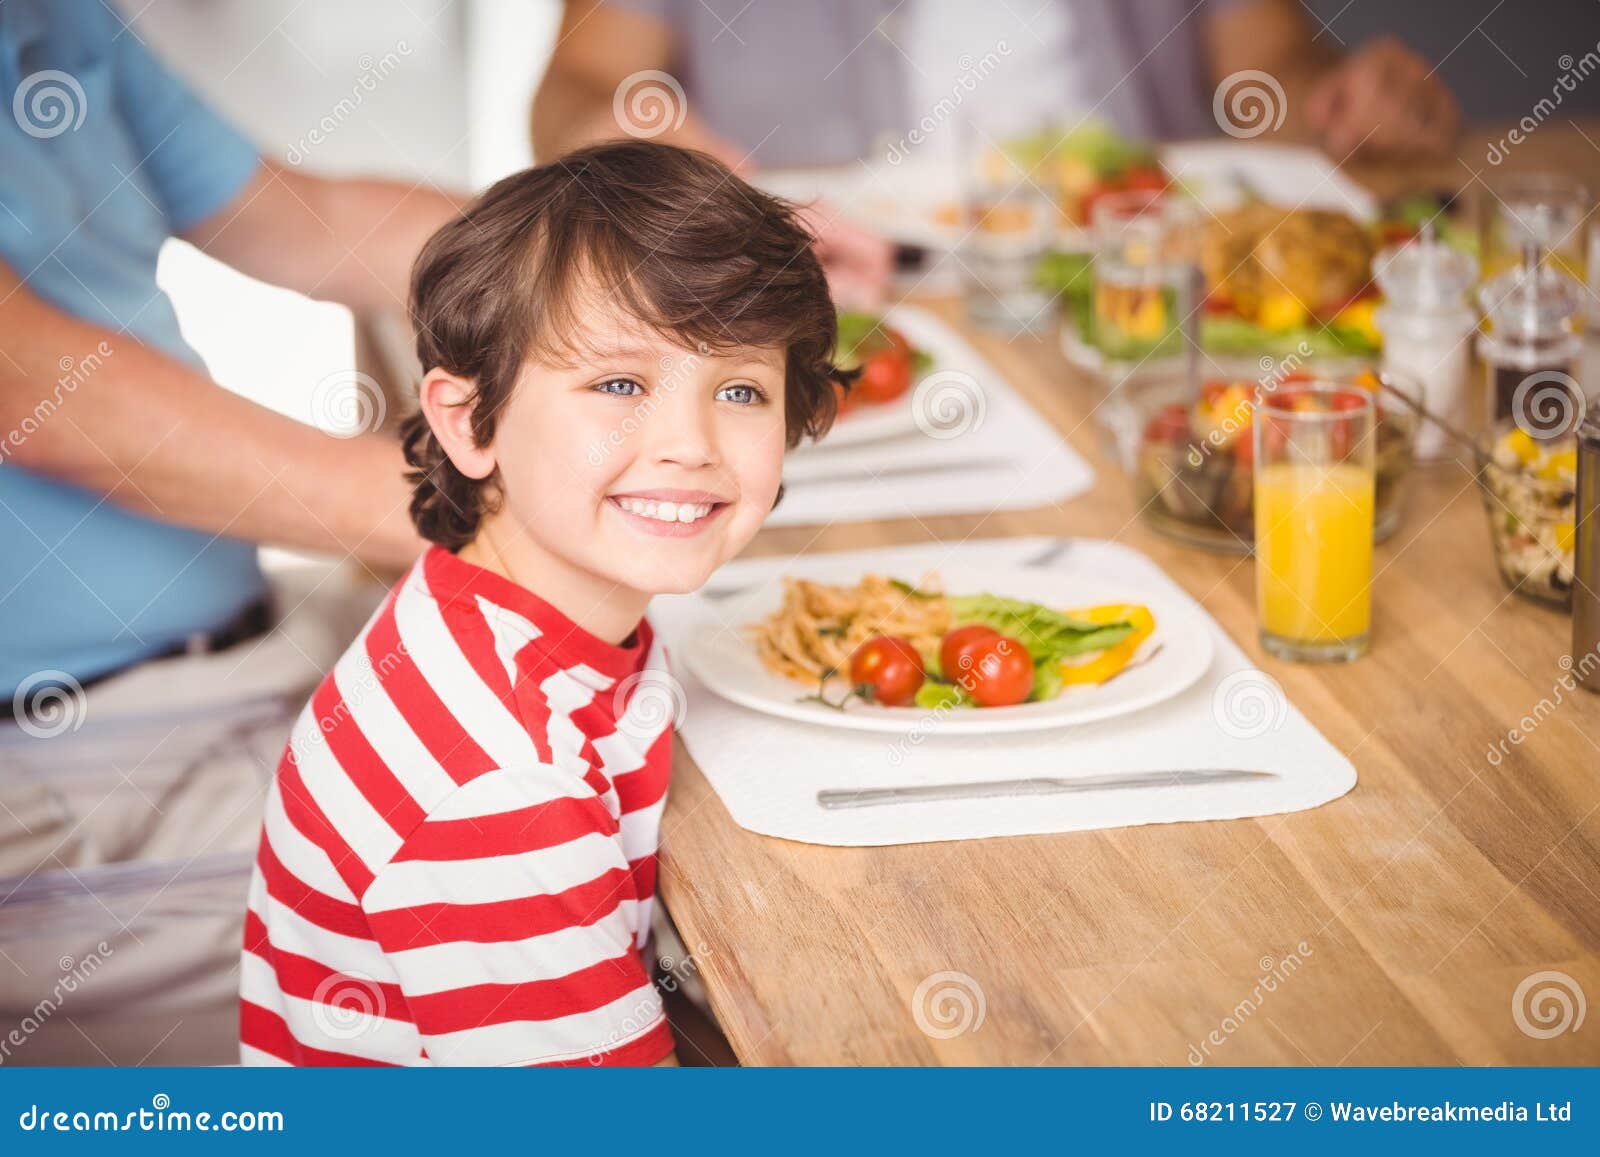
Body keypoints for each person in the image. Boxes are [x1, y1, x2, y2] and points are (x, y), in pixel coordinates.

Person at [238, 140, 844, 1066]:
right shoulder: (505, 791)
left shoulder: (489, 614)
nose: (689, 442)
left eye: (739, 388)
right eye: (619, 384)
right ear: (468, 420)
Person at [0, 0, 462, 1064]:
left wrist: (665, 261)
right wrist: (473, 512)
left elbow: (298, 219)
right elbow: (33, 389)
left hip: (244, 660)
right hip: (62, 780)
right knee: (559, 913)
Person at [533, 0, 1460, 170]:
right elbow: (574, 89)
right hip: (825, 315)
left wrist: (1345, 103)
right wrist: (628, 133)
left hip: (1146, 311)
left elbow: (1270, 78)